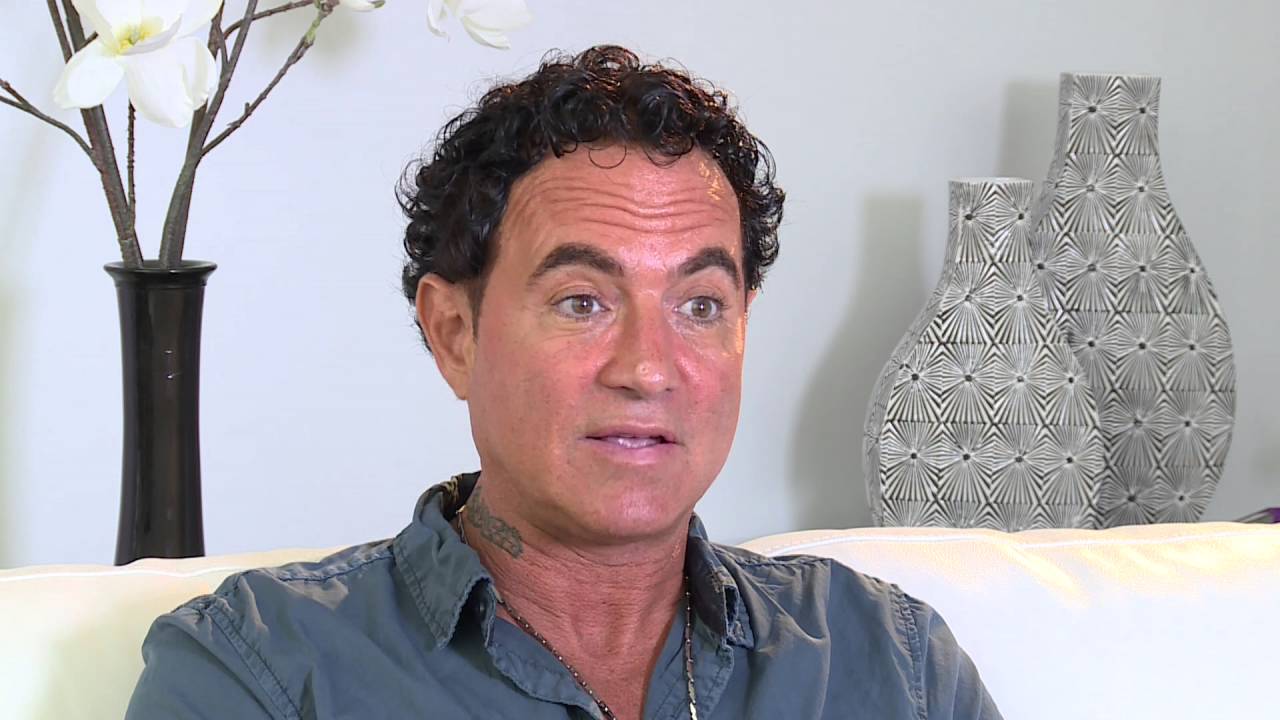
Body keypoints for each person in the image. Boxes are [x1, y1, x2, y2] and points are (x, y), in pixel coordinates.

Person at [125, 45, 1002, 719]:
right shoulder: (260, 673)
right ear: (454, 333)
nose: (648, 368)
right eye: (583, 302)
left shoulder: (892, 665)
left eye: (699, 306)